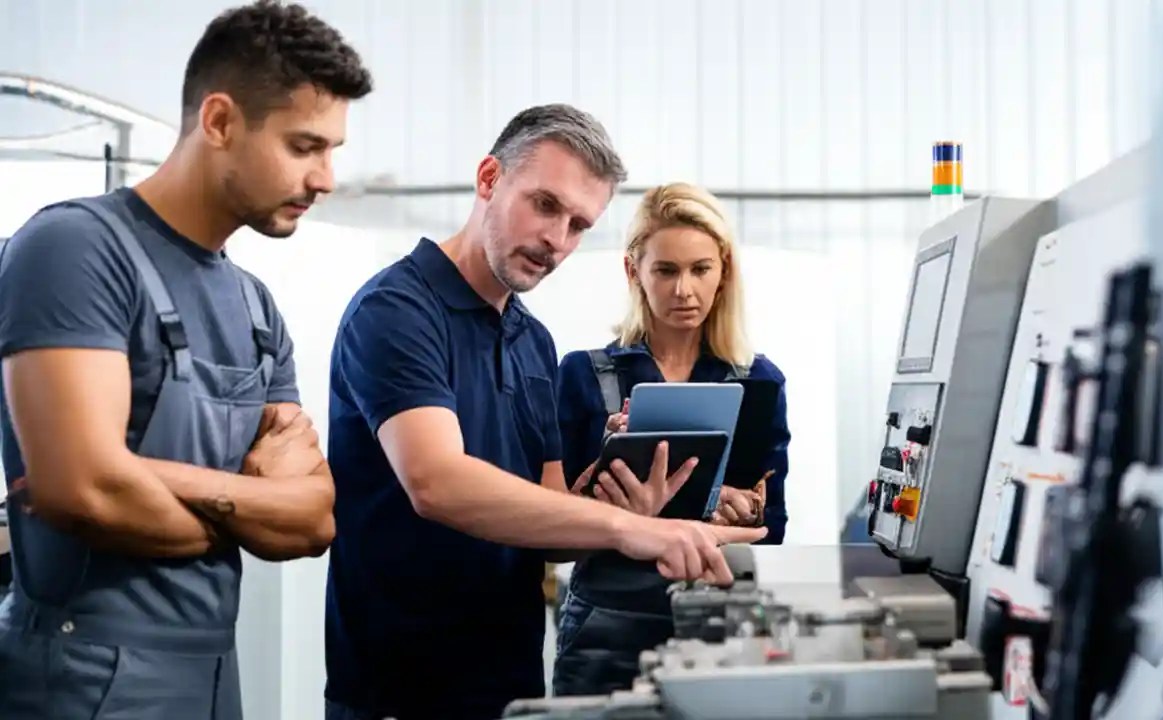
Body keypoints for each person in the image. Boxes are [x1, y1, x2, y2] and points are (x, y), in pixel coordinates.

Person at [324, 104, 767, 720]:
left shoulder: (533, 342)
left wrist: (620, 501)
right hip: (399, 688)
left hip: (508, 683)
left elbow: (550, 519)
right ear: (488, 179)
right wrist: (633, 530)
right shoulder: (397, 311)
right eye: (546, 205)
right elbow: (437, 483)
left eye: (580, 224)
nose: (557, 240)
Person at [0, 3, 372, 718]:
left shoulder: (256, 308)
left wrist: (150, 474)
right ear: (220, 122)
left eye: (332, 150)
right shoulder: (75, 251)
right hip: (83, 675)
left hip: (212, 673)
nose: (325, 177)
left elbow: (315, 521)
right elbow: (86, 493)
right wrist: (244, 505)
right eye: (304, 146)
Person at [552, 182, 791, 696]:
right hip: (604, 626)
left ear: (724, 270)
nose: (684, 290)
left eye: (700, 269)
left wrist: (740, 514)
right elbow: (552, 524)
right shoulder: (580, 375)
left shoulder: (760, 382)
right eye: (666, 270)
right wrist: (613, 502)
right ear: (633, 270)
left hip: (720, 622)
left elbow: (772, 531)